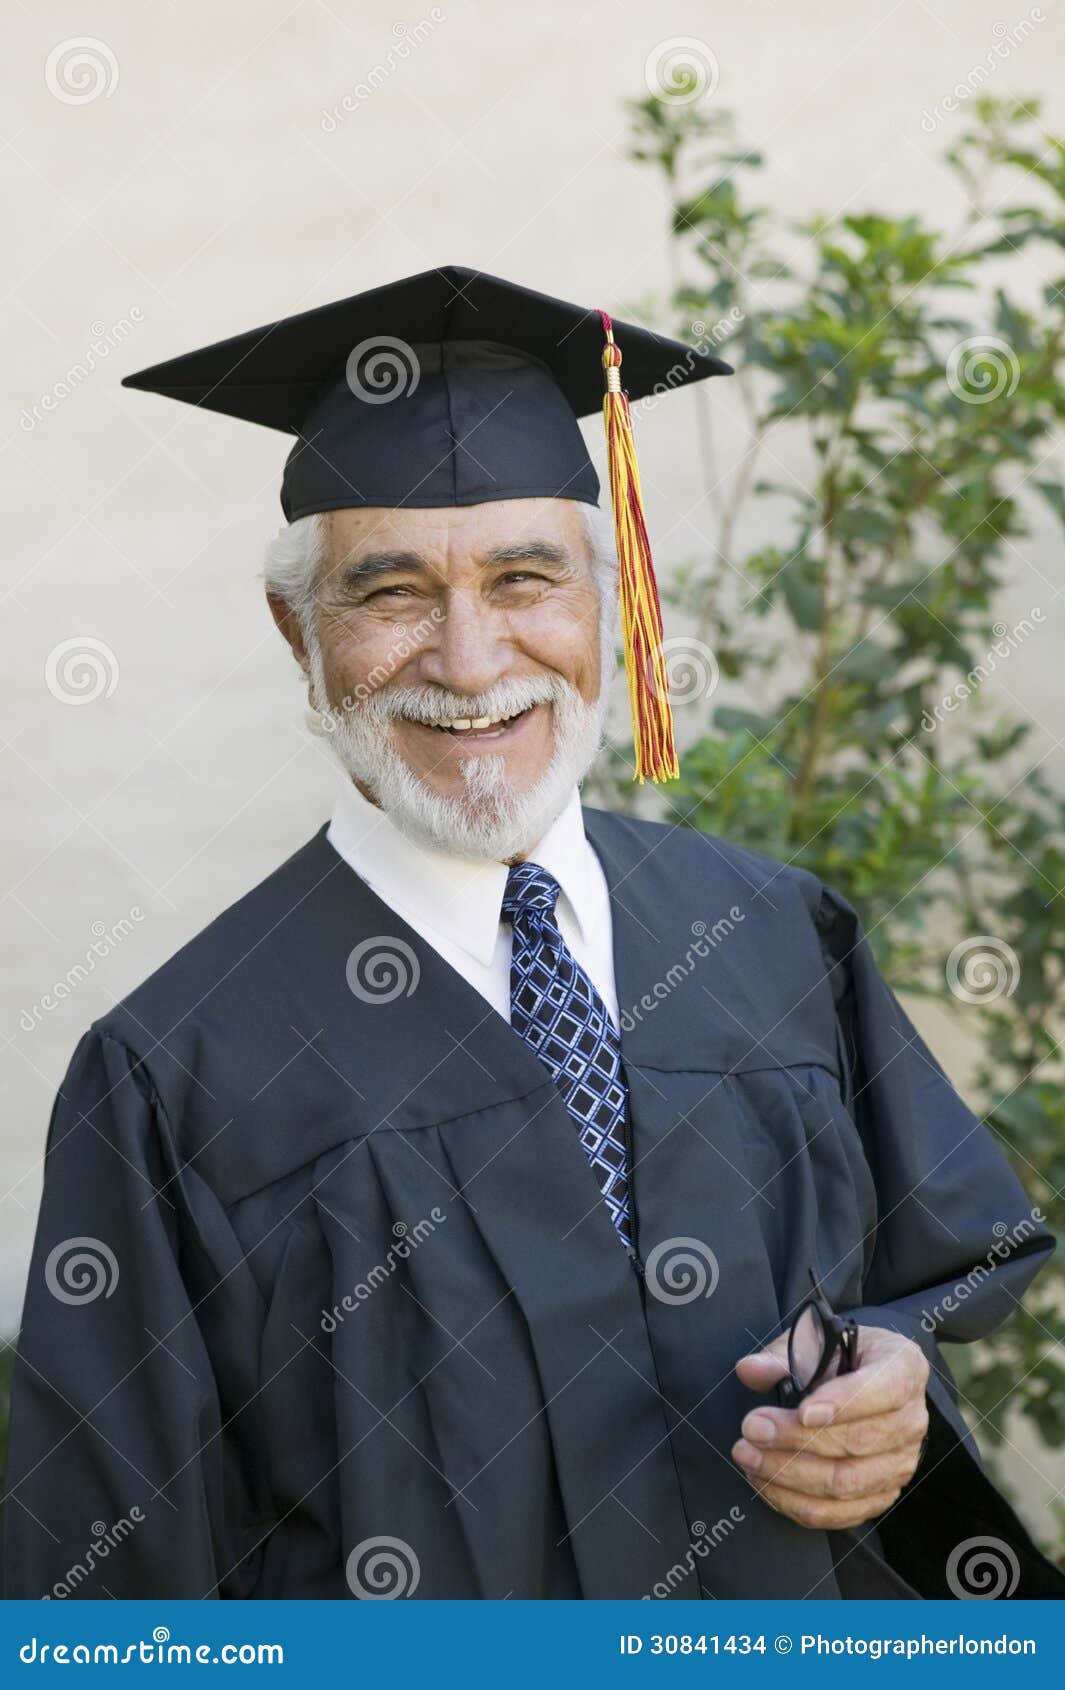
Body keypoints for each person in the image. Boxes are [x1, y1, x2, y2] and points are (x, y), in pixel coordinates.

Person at [3, 267, 1060, 1600]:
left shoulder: (771, 933)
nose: (467, 655)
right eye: (391, 594)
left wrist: (892, 1384)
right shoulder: (177, 1075)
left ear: (604, 603)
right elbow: (111, 1596)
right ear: (298, 632)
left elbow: (937, 1271)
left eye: (524, 580)